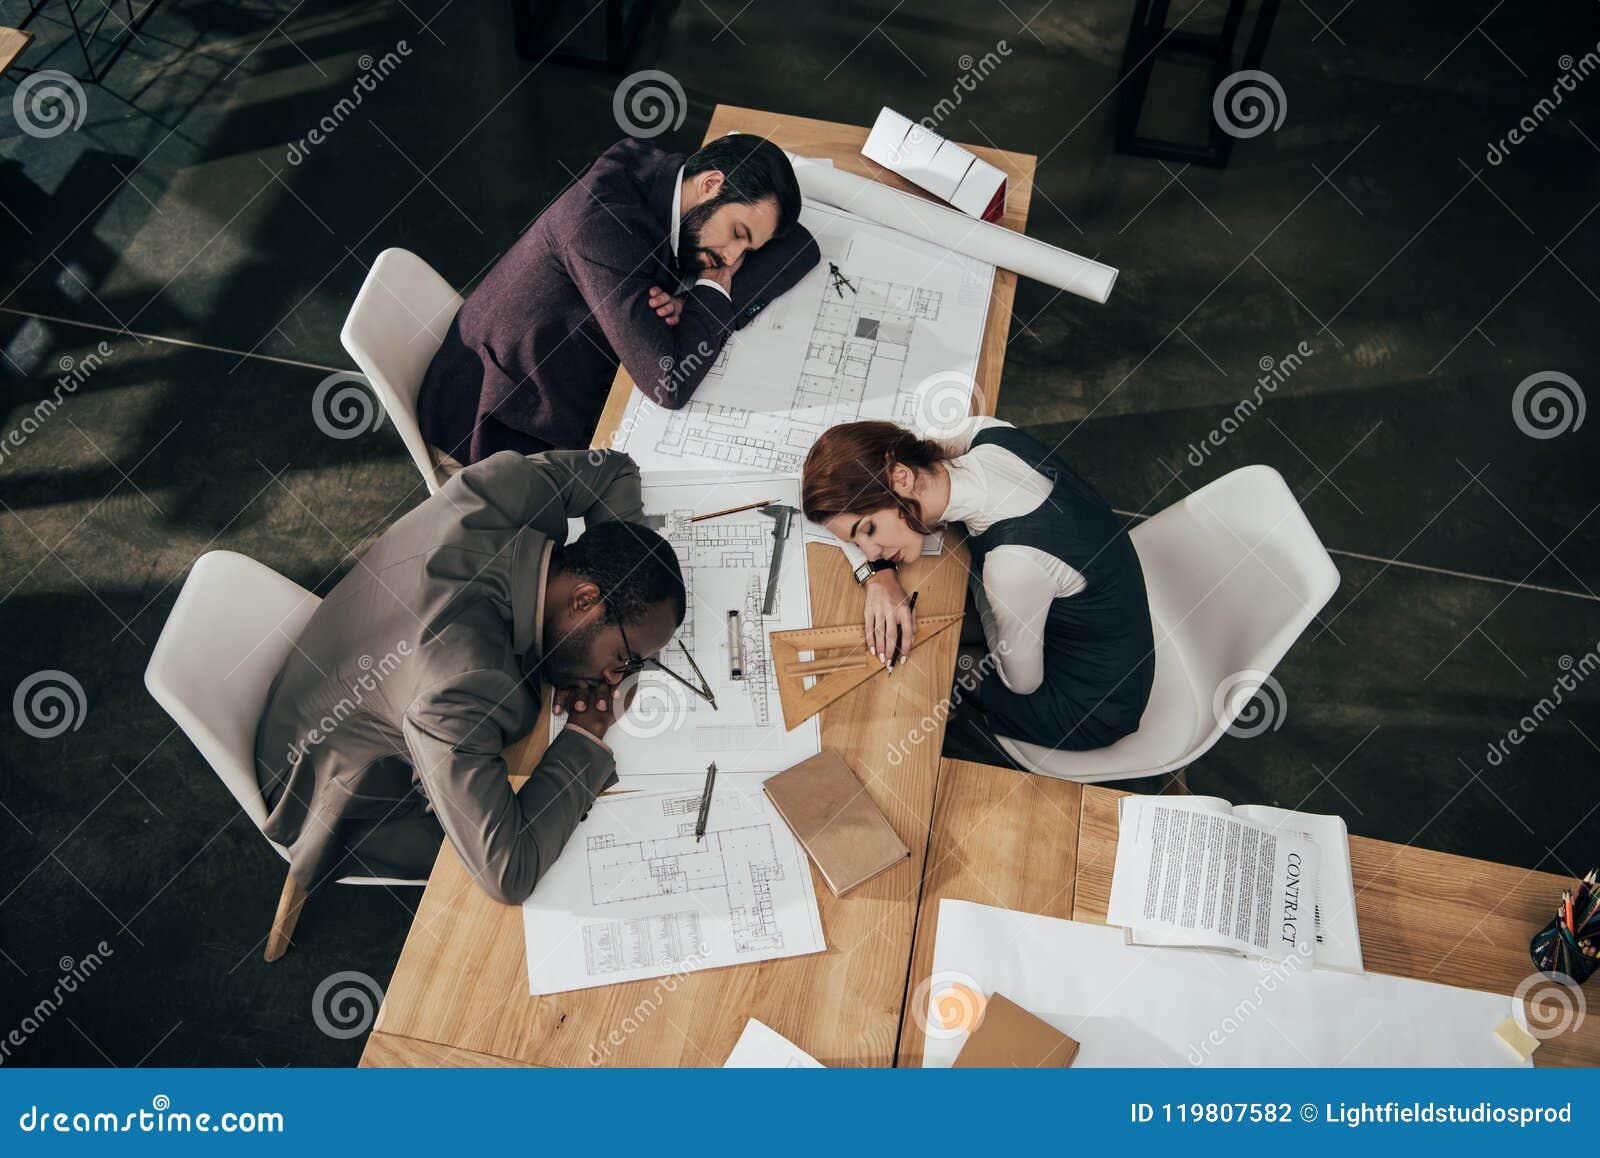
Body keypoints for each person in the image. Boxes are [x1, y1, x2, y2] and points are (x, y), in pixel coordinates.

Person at [252, 448, 686, 904]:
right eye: (624, 656)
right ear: (583, 600)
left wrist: (625, 569)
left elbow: (615, 471)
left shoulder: (505, 486)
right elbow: (508, 874)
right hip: (329, 792)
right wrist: (585, 732)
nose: (617, 677)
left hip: (332, 672)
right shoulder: (456, 683)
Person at [417, 133, 821, 464]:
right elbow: (670, 381)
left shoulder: (666, 179)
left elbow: (801, 247)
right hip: (495, 430)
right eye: (737, 234)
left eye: (747, 249)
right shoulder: (603, 226)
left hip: (562, 373)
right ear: (711, 184)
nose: (733, 258)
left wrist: (701, 295)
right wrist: (712, 291)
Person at [800, 416, 1155, 753]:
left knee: (922, 657)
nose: (872, 550)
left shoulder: (1011, 566)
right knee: (931, 617)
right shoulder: (989, 433)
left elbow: (1022, 683)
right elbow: (911, 448)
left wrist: (979, 598)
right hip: (1103, 626)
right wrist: (878, 573)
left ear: (902, 478)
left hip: (1089, 704)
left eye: (868, 530)